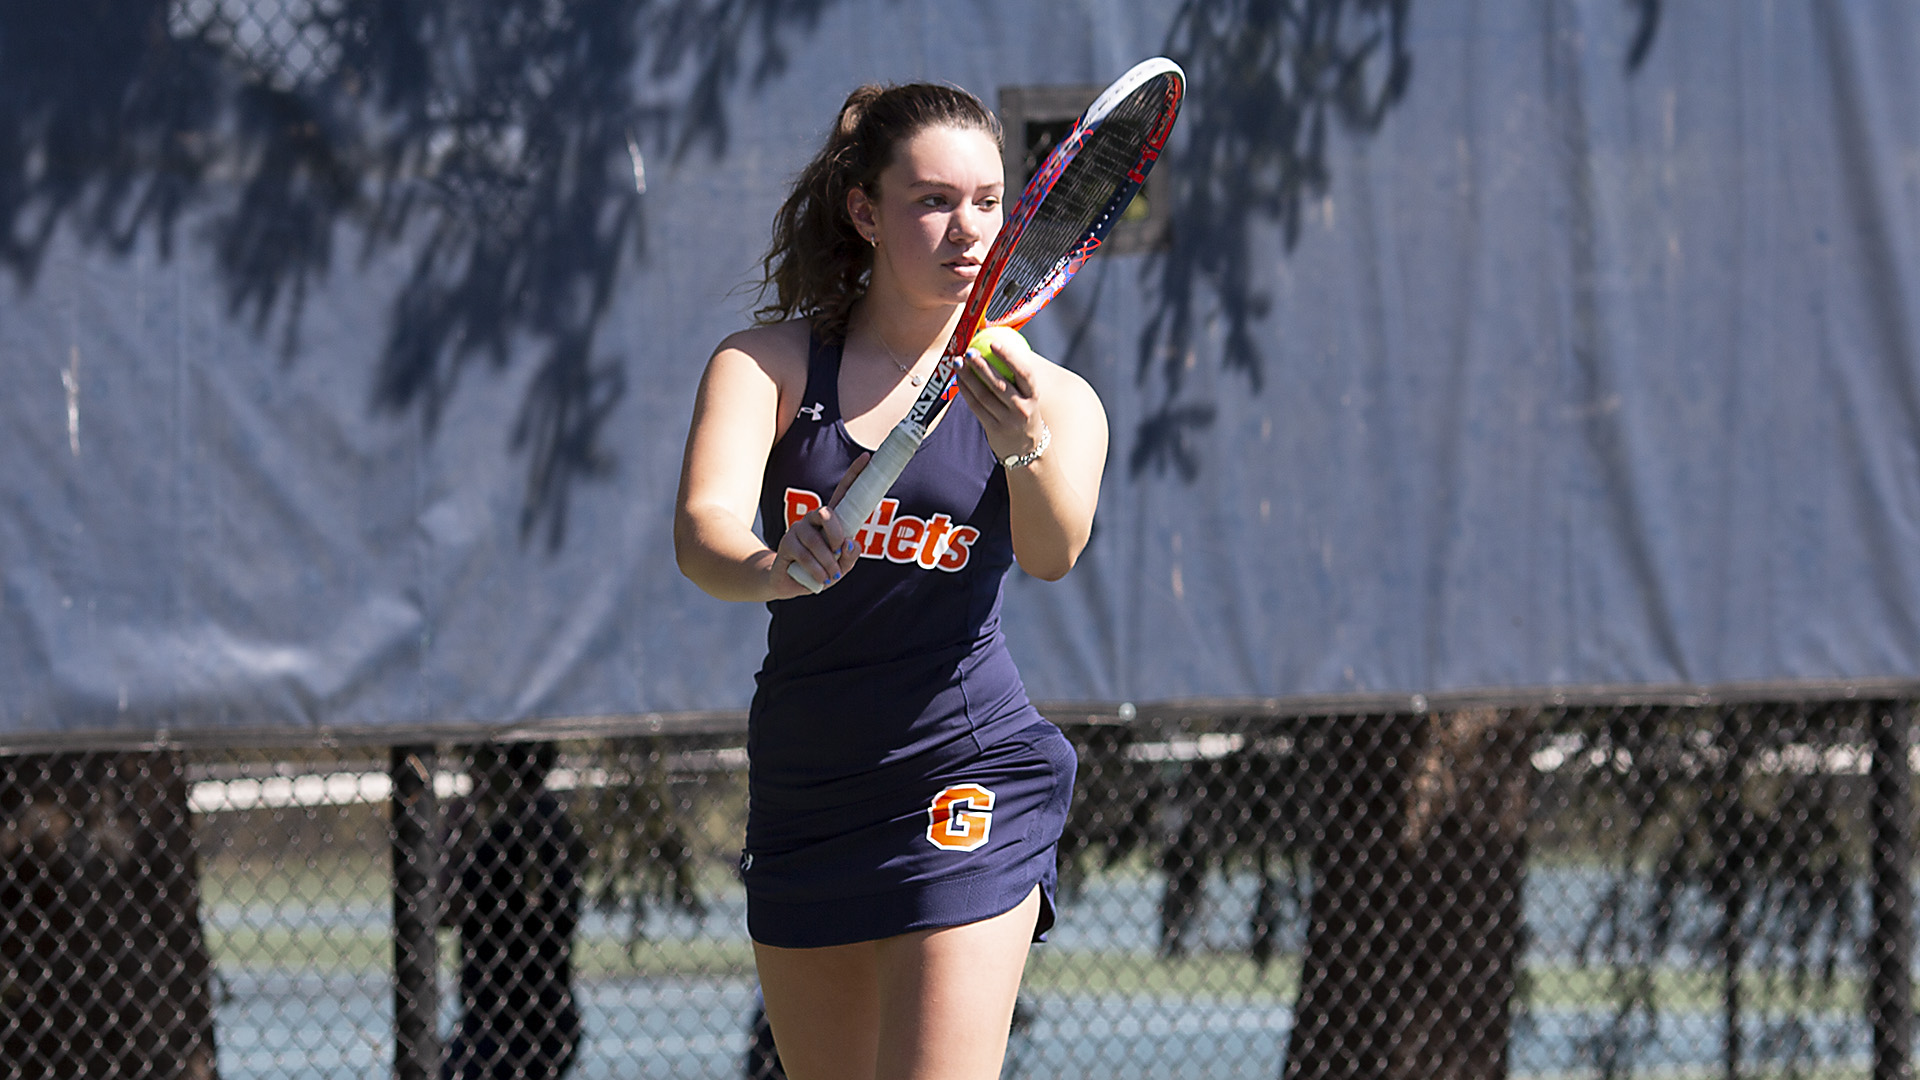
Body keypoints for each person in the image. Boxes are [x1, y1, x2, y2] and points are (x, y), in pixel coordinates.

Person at [675, 80, 1107, 1080]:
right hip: (809, 785)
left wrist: (1026, 450)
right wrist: (769, 567)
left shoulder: (1055, 398)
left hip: (967, 771)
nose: (970, 230)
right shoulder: (765, 365)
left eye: (990, 201)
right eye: (933, 201)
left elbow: (1052, 554)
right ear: (865, 211)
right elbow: (703, 534)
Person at [440, 742, 582, 1080]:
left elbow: (445, 910)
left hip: (507, 1024)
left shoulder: (508, 836)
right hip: (538, 1014)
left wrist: (453, 834)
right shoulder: (552, 821)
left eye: (477, 766)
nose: (470, 777)